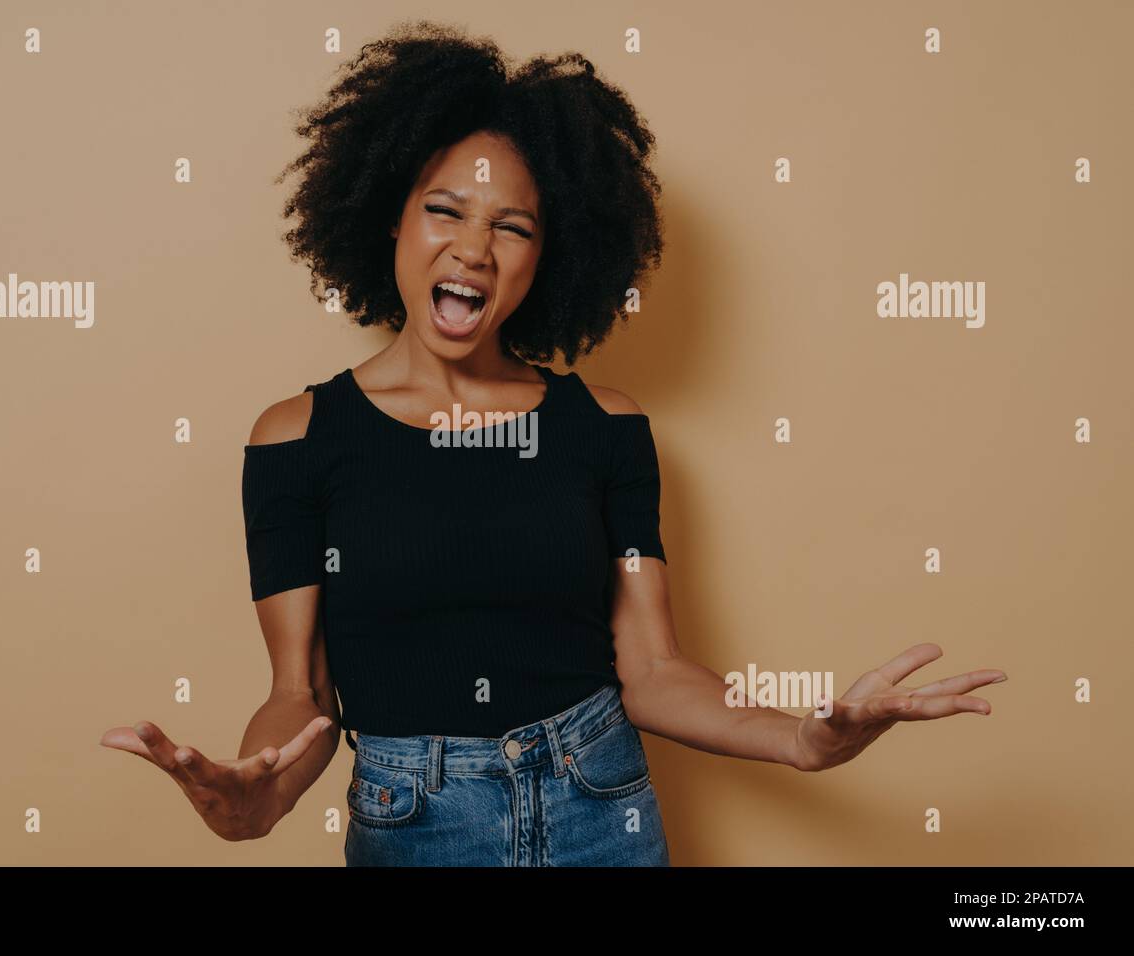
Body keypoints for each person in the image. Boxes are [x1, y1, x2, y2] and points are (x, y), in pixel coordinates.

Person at [101, 20, 1006, 866]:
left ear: (549, 255)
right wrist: (256, 796)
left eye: (512, 226)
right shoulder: (296, 438)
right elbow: (300, 697)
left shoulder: (605, 427)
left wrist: (801, 739)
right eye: (445, 210)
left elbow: (652, 671)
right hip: (416, 825)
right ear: (391, 217)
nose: (474, 250)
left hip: (600, 807)